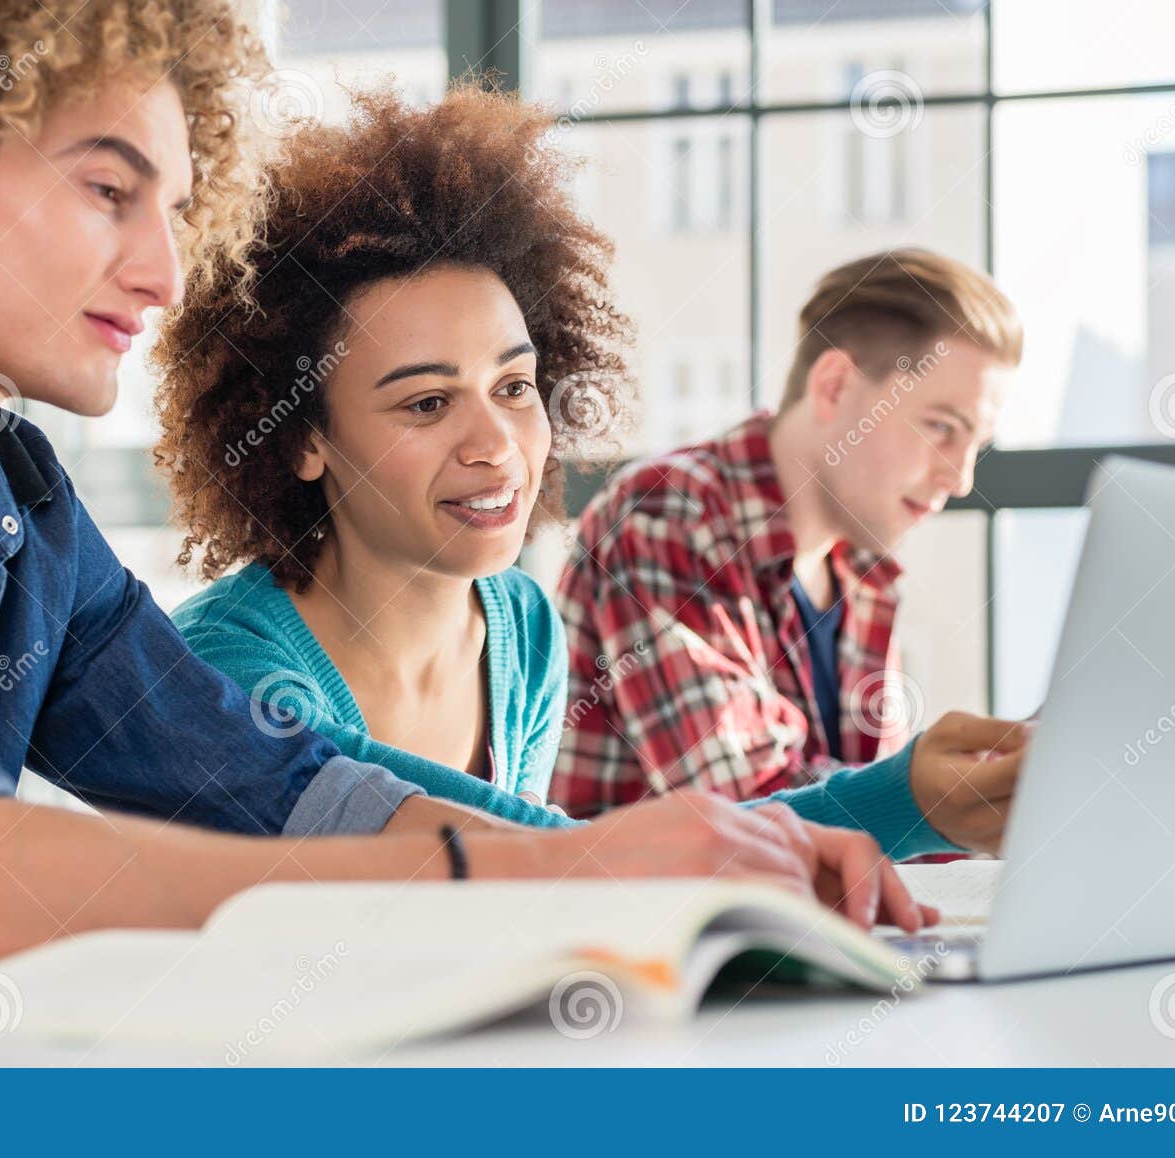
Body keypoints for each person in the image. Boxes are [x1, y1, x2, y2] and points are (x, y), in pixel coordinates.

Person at [0, 0, 932, 1028]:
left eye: (179, 210)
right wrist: (551, 875)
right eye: (107, 190)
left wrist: (703, 886)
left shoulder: (16, 500)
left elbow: (285, 788)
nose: (163, 269)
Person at [157, 90, 1024, 869]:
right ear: (304, 436)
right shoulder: (227, 668)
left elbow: (524, 892)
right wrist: (902, 801)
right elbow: (525, 858)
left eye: (514, 387)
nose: (496, 444)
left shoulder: (520, 624)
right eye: (426, 404)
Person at [552, 248, 1027, 854]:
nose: (960, 478)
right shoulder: (666, 514)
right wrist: (931, 800)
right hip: (654, 937)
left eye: (976, 444)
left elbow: (870, 825)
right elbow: (745, 812)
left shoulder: (860, 566)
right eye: (940, 427)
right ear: (834, 387)